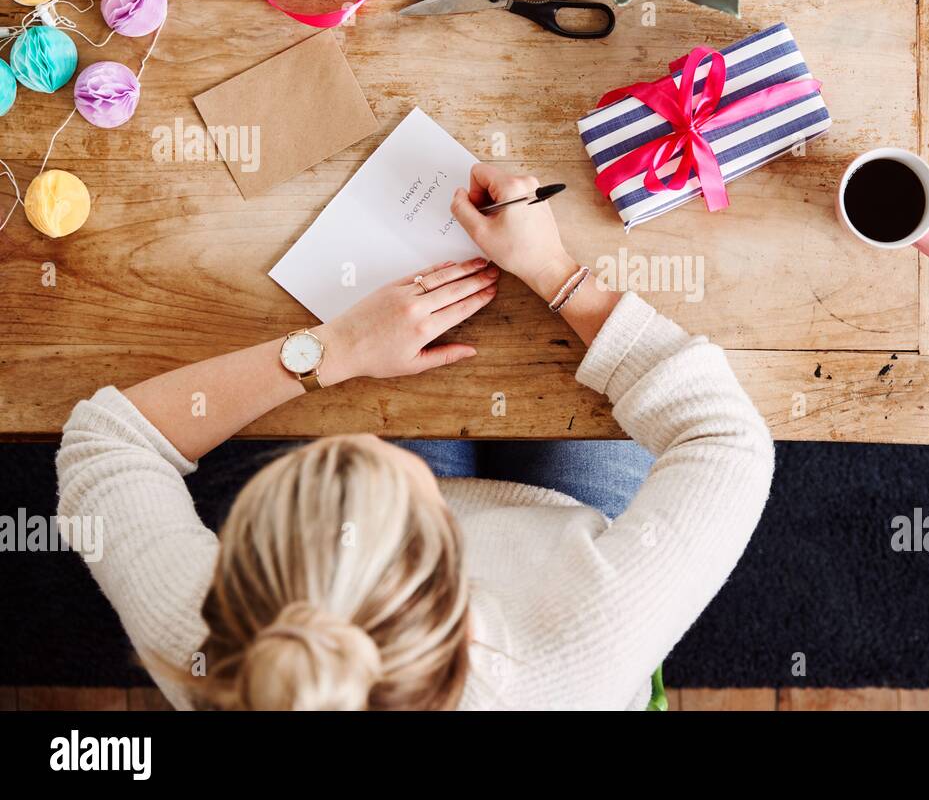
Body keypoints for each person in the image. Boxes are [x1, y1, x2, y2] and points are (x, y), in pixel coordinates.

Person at [56, 163, 775, 710]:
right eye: (382, 499)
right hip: (553, 539)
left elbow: (105, 444)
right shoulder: (580, 648)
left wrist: (331, 352)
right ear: (454, 589)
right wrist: (557, 276)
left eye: (317, 489)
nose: (368, 443)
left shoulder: (219, 647)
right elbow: (726, 438)